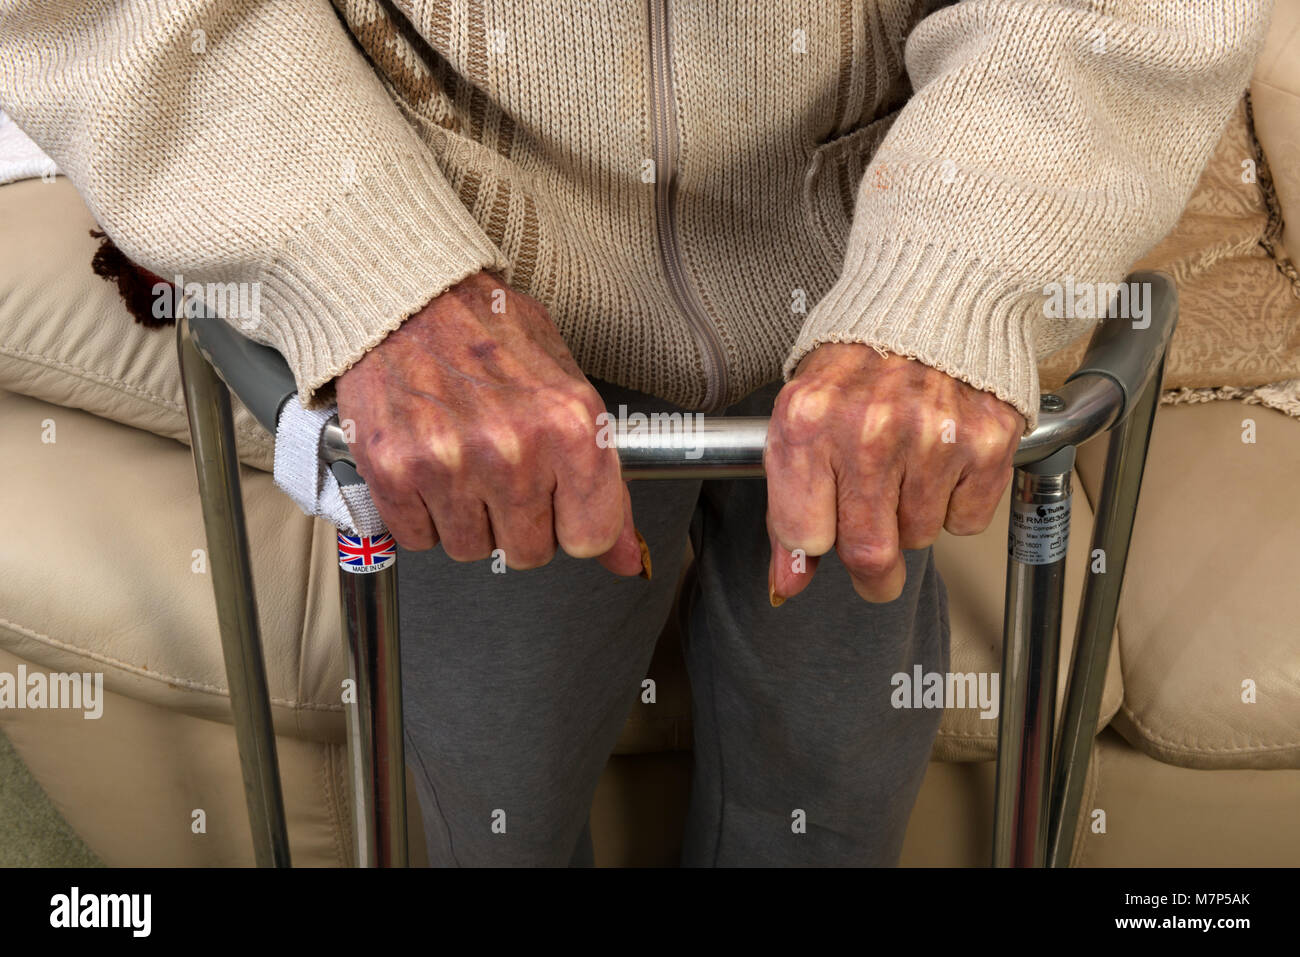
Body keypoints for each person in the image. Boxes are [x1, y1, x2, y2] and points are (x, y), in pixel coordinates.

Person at [0, 0, 1270, 866]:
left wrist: (952, 271)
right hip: (470, 281)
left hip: (859, 267)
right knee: (487, 790)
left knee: (833, 770)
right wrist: (375, 273)